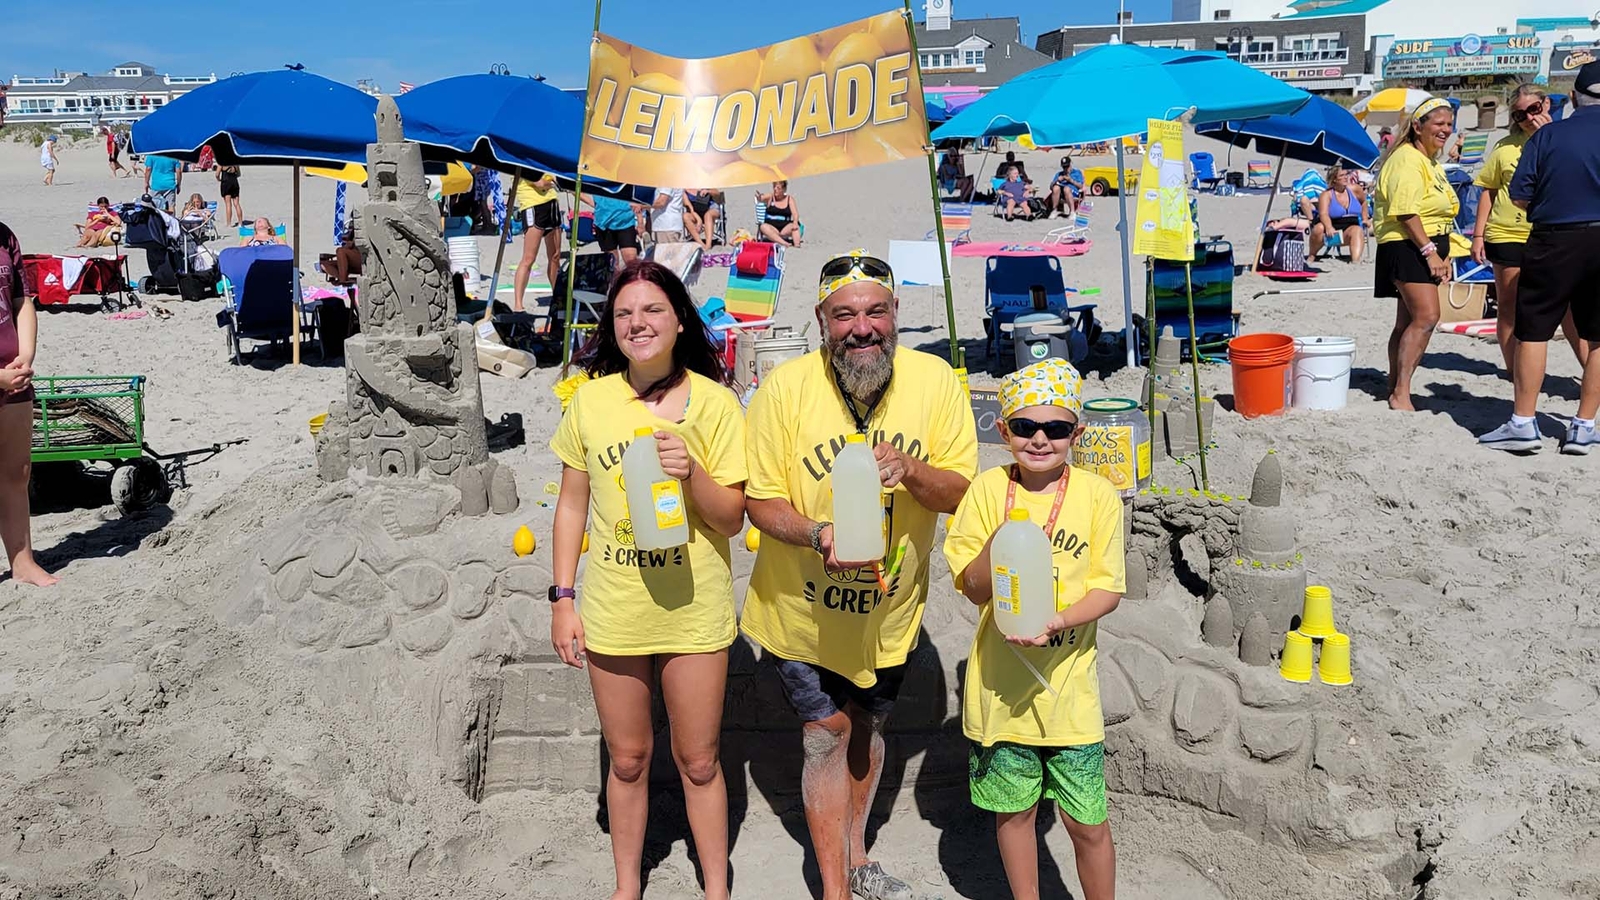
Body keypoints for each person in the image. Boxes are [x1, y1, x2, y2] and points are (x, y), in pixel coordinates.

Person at [742, 249, 978, 900]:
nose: (862, 327)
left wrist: (914, 470)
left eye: (876, 310)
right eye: (844, 314)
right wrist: (817, 535)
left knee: (867, 728)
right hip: (802, 610)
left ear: (896, 313)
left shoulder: (935, 384)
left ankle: (857, 851)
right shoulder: (784, 391)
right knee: (826, 736)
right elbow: (758, 501)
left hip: (890, 611)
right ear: (821, 320)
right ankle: (836, 889)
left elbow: (960, 492)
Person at [549, 260, 746, 900]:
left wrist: (693, 475)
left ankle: (715, 886)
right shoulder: (591, 400)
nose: (638, 323)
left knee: (698, 761)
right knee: (629, 760)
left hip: (694, 610)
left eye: (653, 309)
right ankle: (626, 886)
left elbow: (732, 519)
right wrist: (562, 597)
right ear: (612, 324)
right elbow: (572, 505)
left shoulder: (716, 406)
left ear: (680, 319)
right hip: (614, 608)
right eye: (626, 312)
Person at [942, 359, 1123, 900]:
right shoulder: (984, 492)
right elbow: (972, 588)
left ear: (1077, 432)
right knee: (1014, 814)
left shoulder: (1096, 496)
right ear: (1003, 430)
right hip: (1002, 693)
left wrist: (1060, 621)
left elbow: (1108, 589)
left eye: (1057, 428)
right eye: (1025, 427)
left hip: (1070, 693)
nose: (1040, 439)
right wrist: (997, 544)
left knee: (1087, 823)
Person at [1479, 61, 1600, 455]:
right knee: (1598, 336)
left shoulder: (1548, 136)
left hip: (1555, 236)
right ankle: (1584, 425)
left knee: (1533, 330)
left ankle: (1523, 422)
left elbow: (1518, 195)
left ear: (1571, 98)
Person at [1471, 85, 1587, 380]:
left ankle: (1590, 369)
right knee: (1509, 305)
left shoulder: (1567, 138)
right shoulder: (1505, 147)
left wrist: (1545, 137)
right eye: (1519, 114)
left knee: (1569, 308)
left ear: (1546, 104)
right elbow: (1489, 190)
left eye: (1533, 109)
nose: (1527, 118)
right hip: (1508, 232)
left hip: (1553, 232)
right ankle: (1515, 371)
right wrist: (1478, 235)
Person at [1373, 98, 1458, 412]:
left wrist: (1446, 253)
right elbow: (1406, 212)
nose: (1445, 130)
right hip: (1407, 245)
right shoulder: (1407, 159)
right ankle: (1401, 392)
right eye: (1439, 124)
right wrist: (1430, 253)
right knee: (1427, 317)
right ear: (1418, 126)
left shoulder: (1429, 160)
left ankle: (1396, 384)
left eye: (1449, 124)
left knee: (1407, 321)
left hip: (1423, 246)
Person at [0, 219, 57, 587]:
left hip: (14, 376)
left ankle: (22, 561)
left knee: (16, 472)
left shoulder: (5, 237)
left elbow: (22, 302)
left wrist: (26, 355)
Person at [512, 171, 562, 312]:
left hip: (551, 203)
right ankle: (518, 304)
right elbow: (539, 183)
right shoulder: (523, 160)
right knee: (528, 258)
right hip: (533, 205)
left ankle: (557, 296)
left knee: (555, 256)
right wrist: (553, 182)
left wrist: (552, 182)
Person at [1311, 166, 1369, 263]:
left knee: (1357, 230)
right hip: (1331, 229)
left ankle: (1355, 261)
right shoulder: (1326, 195)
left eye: (1346, 174)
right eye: (1342, 175)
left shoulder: (1355, 189)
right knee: (1319, 228)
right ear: (1334, 179)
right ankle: (1312, 255)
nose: (1346, 177)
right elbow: (1323, 214)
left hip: (1349, 228)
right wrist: (1329, 227)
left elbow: (1364, 202)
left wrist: (1365, 218)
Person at [586, 193, 642, 267]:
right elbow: (574, 188)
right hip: (603, 222)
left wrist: (640, 222)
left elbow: (637, 197)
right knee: (612, 263)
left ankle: (633, 278)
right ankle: (615, 277)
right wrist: (593, 203)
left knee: (631, 262)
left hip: (626, 221)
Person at [756, 181, 801, 247]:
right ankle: (783, 243)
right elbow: (762, 198)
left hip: (785, 227)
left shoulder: (789, 199)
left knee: (794, 226)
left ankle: (797, 245)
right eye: (774, 187)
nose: (775, 189)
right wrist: (760, 197)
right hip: (772, 227)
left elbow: (795, 214)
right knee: (763, 227)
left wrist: (795, 222)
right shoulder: (770, 197)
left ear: (784, 189)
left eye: (778, 188)